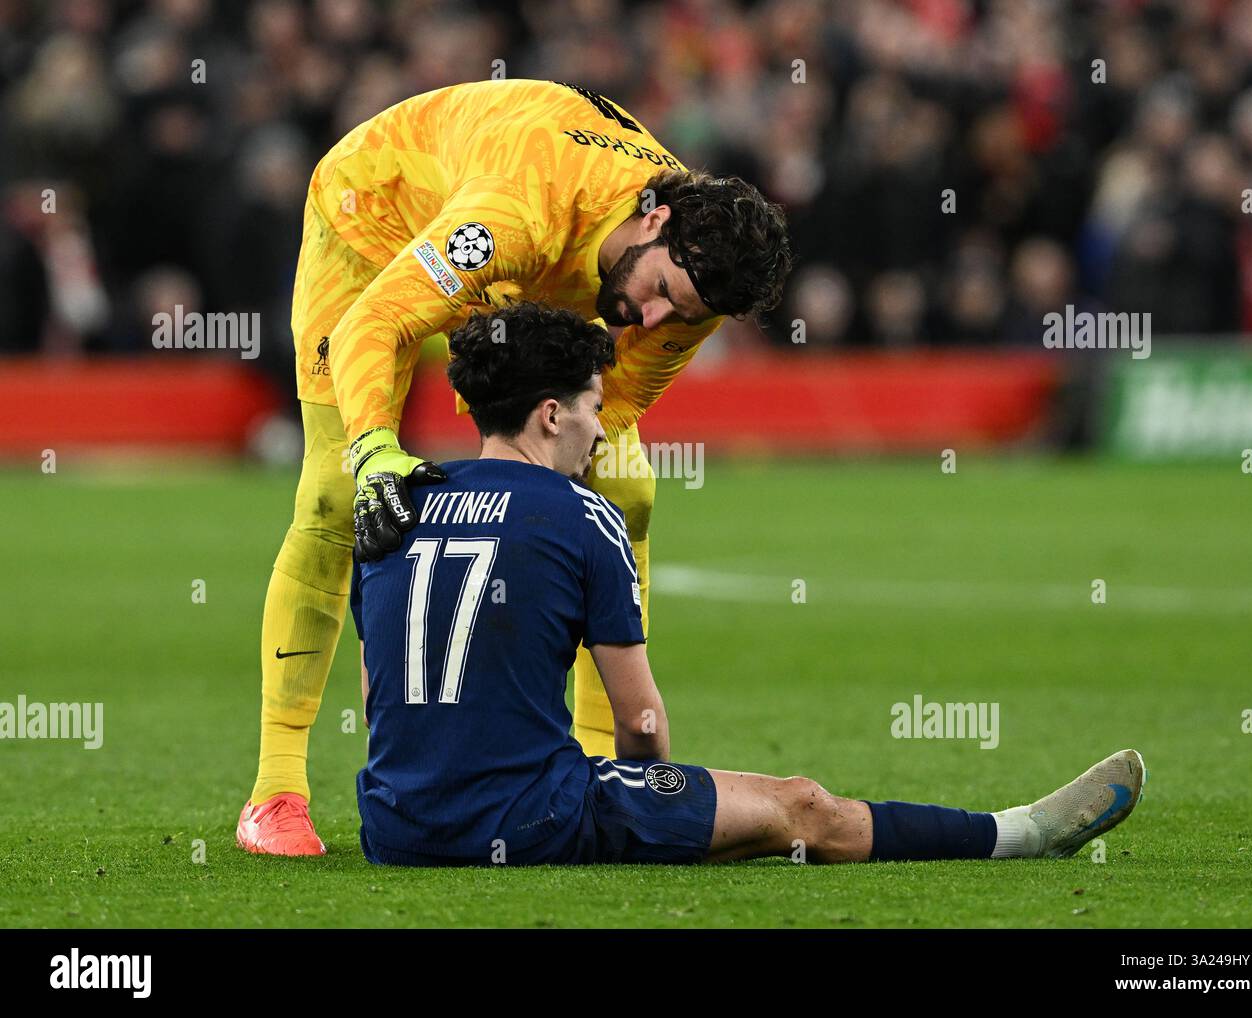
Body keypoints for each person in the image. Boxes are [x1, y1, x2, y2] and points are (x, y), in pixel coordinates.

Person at [350, 301, 1145, 867]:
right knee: (800, 806)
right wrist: (654, 791)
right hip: (528, 821)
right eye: (594, 407)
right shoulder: (580, 517)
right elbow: (642, 723)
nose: (603, 427)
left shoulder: (396, 502)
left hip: (394, 826)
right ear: (552, 415)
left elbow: (379, 695)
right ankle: (1021, 834)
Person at [237, 79, 793, 854]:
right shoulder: (518, 211)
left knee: (624, 488)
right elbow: (379, 321)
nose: (657, 320)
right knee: (335, 497)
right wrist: (375, 454)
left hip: (534, 280)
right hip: (375, 221)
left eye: (685, 315)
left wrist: (536, 491)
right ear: (653, 217)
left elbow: (605, 410)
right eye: (661, 292)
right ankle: (276, 790)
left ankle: (601, 768)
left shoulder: (690, 279)